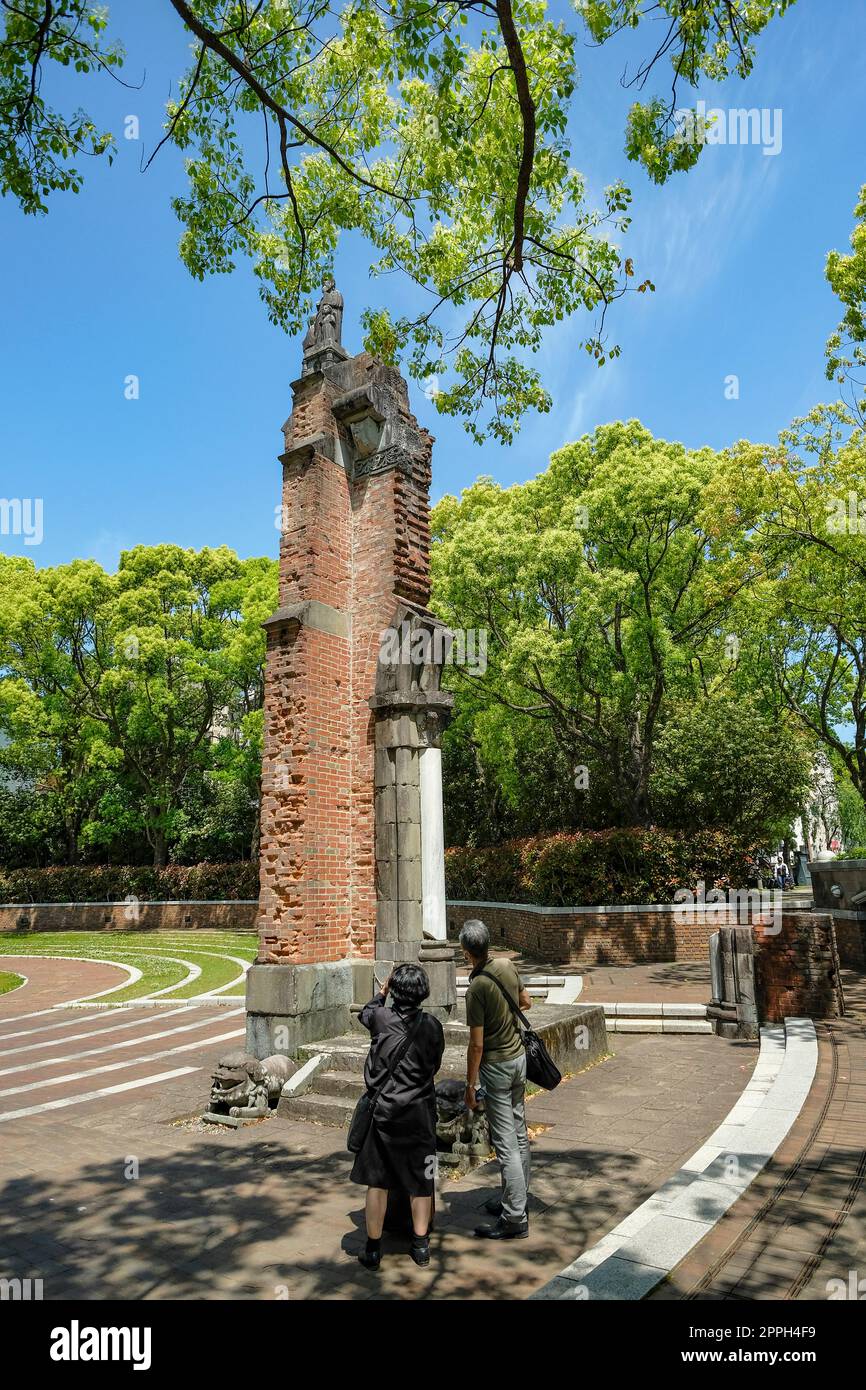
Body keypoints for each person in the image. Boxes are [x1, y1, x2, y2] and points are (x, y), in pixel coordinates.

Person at [350, 963, 445, 1271]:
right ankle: (420, 1246)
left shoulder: (380, 1018)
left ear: (395, 990)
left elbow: (365, 1012)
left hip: (383, 1114)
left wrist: (381, 993)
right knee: (422, 1180)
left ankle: (373, 1248)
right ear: (422, 992)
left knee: (377, 1182)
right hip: (418, 1113)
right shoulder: (432, 1026)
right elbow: (435, 1065)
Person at [460, 918, 533, 1240]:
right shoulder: (506, 965)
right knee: (519, 1134)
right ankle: (516, 1199)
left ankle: (515, 1218)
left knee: (506, 1145)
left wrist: (470, 1085)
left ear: (465, 951)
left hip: (497, 1066)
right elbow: (526, 1002)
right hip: (519, 1060)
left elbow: (476, 1044)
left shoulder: (476, 988)